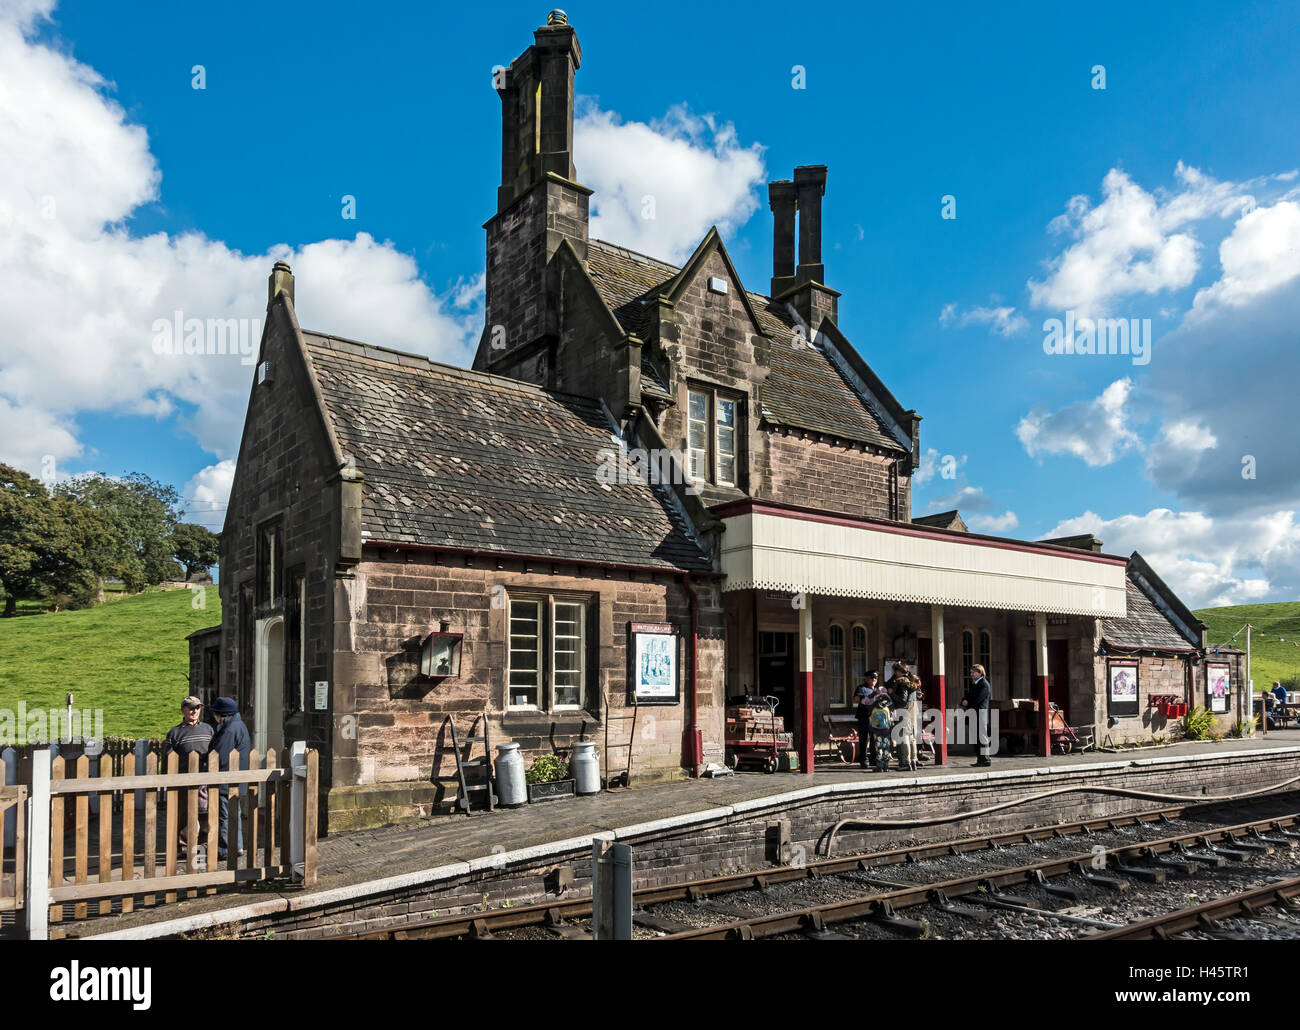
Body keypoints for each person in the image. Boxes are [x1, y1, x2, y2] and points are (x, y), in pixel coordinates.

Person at [162, 696, 214, 850]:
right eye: (190, 707)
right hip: (183, 780)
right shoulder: (174, 733)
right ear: (182, 710)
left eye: (197, 707)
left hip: (205, 779)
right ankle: (183, 847)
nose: (194, 711)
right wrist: (167, 779)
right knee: (183, 815)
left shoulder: (208, 729)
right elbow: (167, 758)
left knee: (205, 812)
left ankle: (204, 845)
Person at [209, 697, 251, 861]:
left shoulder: (230, 729)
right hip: (236, 779)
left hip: (227, 779)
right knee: (234, 813)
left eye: (216, 713)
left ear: (222, 715)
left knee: (225, 815)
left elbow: (219, 755)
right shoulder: (238, 725)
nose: (215, 717)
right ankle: (237, 845)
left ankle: (227, 848)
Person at [890, 662, 922, 772]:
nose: (893, 673)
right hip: (912, 709)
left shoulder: (902, 682)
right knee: (911, 736)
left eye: (894, 671)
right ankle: (913, 760)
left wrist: (891, 693)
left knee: (904, 736)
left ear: (898, 672)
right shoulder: (912, 680)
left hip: (904, 710)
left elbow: (902, 700)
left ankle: (905, 762)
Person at [961, 663, 992, 766]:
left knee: (982, 737)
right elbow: (968, 696)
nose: (971, 674)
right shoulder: (974, 684)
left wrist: (968, 702)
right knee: (976, 738)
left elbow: (978, 699)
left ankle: (985, 759)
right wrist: (964, 700)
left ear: (980, 673)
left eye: (973, 672)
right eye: (971, 672)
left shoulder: (984, 684)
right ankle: (980, 759)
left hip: (980, 714)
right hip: (974, 714)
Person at [853, 672, 885, 769]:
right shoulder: (862, 688)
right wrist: (869, 697)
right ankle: (863, 759)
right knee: (864, 739)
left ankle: (873, 759)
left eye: (876, 678)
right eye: (872, 677)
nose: (874, 679)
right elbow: (856, 699)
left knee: (874, 739)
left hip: (875, 718)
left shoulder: (877, 689)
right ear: (866, 678)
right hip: (864, 717)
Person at [868, 690, 895, 772]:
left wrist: (874, 696)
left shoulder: (873, 705)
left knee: (878, 747)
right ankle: (886, 766)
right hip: (886, 729)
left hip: (876, 730)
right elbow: (893, 714)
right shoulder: (889, 705)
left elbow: (867, 706)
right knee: (886, 747)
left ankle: (879, 765)